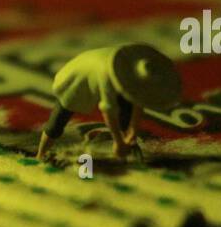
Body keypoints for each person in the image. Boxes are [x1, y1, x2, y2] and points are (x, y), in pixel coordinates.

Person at [35, 43, 182, 161]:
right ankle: (40, 155)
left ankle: (129, 148)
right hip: (77, 78)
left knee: (126, 109)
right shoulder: (107, 75)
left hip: (99, 69)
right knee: (59, 119)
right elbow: (108, 112)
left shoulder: (134, 65)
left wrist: (132, 133)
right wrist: (118, 142)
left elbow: (138, 100)